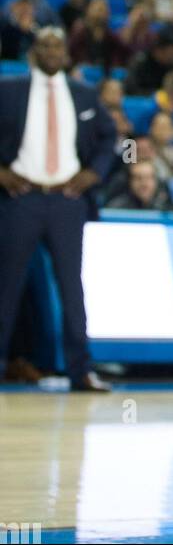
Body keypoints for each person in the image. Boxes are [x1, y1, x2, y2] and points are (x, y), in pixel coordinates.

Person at [0, 27, 116, 389]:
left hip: (67, 200)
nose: (52, 51)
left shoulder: (83, 94)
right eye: (45, 45)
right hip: (22, 197)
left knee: (72, 287)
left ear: (67, 53)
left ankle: (81, 371)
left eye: (58, 45)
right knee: (6, 285)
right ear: (34, 51)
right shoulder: (9, 90)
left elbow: (110, 137)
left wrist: (92, 174)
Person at [106, 158, 173, 212]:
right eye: (138, 178)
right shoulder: (116, 209)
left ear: (156, 181)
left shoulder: (168, 208)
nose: (144, 183)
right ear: (130, 181)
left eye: (148, 177)